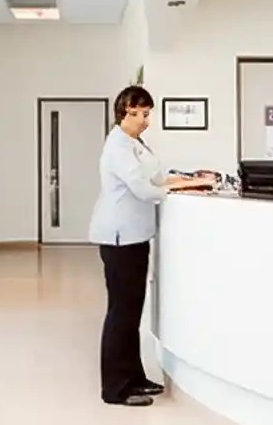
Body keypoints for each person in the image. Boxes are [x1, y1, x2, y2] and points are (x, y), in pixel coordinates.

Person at [88, 86, 216, 407]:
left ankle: (135, 377)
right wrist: (186, 185)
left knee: (132, 311)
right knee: (121, 312)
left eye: (148, 114)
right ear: (125, 111)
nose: (146, 121)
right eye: (141, 114)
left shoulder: (134, 144)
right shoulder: (117, 146)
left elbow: (158, 178)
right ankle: (115, 388)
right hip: (119, 238)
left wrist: (189, 180)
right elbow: (145, 190)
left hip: (136, 236)